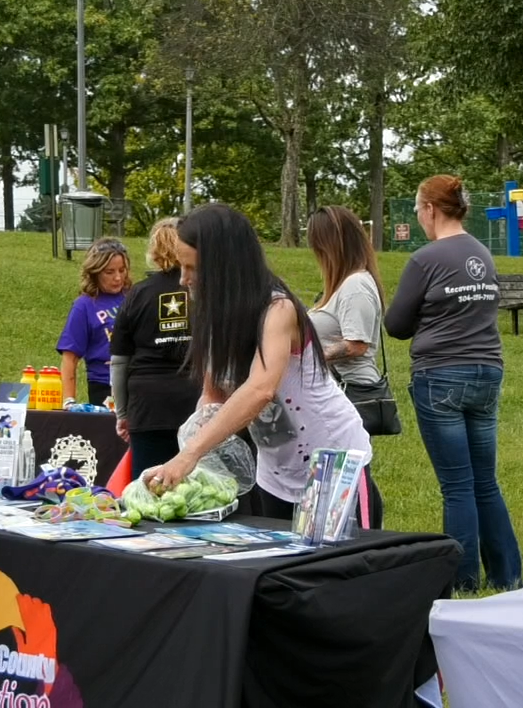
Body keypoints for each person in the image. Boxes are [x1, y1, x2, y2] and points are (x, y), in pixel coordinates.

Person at [142, 204, 372, 519]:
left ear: (222, 265)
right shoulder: (214, 316)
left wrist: (190, 456)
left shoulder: (278, 308)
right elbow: (213, 396)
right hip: (275, 473)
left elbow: (260, 389)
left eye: (192, 268)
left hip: (333, 463)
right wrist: (188, 458)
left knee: (338, 564)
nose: (183, 279)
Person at [385, 174, 522, 592]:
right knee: (485, 481)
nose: (419, 218)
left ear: (429, 209)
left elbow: (396, 325)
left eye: (417, 211)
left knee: (458, 486)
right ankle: (507, 576)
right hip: (487, 373)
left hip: (441, 376)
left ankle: (462, 582)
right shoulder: (483, 252)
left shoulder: (426, 260)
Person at [306, 205, 388, 528]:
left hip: (352, 393)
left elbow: (357, 345)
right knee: (346, 473)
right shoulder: (342, 285)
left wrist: (312, 355)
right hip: (339, 393)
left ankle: (366, 528)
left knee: (353, 474)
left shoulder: (355, 286)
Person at [110, 218, 200, 479]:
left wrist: (123, 413)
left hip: (147, 406)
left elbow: (119, 361)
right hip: (194, 401)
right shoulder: (203, 291)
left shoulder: (137, 294)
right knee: (197, 489)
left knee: (147, 489)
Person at [57, 237, 131, 407]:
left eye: (122, 270)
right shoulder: (84, 306)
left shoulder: (135, 297)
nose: (118, 278)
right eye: (109, 272)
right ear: (95, 272)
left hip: (137, 384)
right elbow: (70, 358)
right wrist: (69, 400)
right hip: (103, 386)